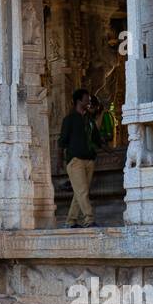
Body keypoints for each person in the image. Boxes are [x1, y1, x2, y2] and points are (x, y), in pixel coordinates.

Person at [58, 89, 97, 228]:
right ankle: (89, 219)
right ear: (79, 101)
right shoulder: (69, 119)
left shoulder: (89, 120)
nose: (89, 101)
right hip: (75, 161)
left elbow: (97, 139)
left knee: (79, 192)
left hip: (89, 160)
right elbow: (62, 141)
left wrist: (112, 152)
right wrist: (59, 161)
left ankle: (71, 221)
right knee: (82, 191)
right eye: (87, 99)